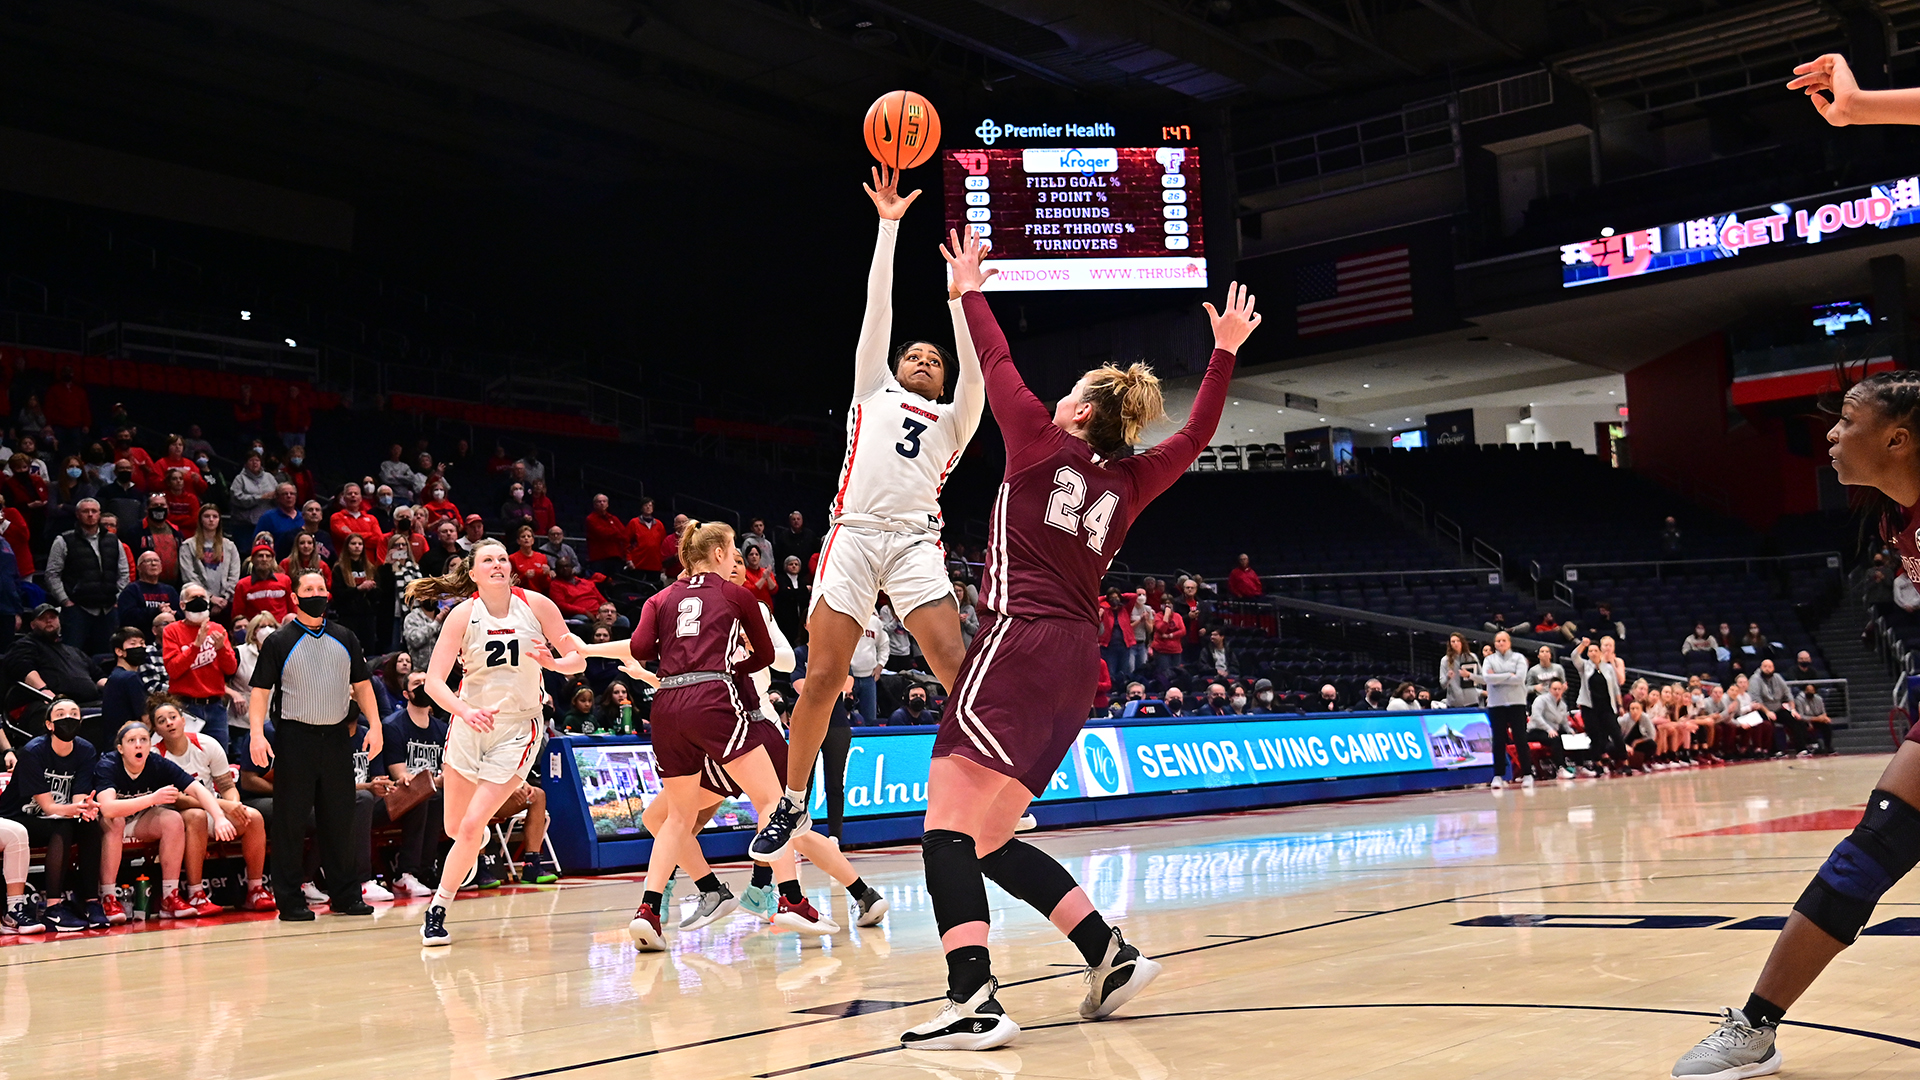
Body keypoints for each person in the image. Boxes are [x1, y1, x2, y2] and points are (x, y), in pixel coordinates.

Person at [898, 233, 1255, 1050]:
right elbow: (1196, 435)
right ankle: (1109, 954)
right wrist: (1223, 354)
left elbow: (995, 363)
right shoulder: (1131, 480)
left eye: (1065, 396)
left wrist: (965, 290)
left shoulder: (1038, 441)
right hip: (1075, 666)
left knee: (946, 827)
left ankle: (973, 996)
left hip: (1018, 641)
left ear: (1082, 412)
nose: (1049, 399)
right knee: (989, 838)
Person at [750, 166, 987, 868]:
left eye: (930, 359)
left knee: (956, 664)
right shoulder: (871, 389)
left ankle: (993, 780)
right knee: (821, 678)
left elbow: (975, 371)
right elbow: (875, 313)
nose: (918, 360)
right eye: (911, 355)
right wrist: (888, 228)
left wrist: (959, 301)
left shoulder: (954, 419)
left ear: (940, 380)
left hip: (915, 544)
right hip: (852, 535)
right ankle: (794, 803)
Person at [598, 522, 837, 949]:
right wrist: (729, 669)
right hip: (713, 699)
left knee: (676, 816)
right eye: (732, 551)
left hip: (665, 704)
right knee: (771, 802)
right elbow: (766, 656)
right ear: (722, 554)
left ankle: (648, 911)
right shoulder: (736, 594)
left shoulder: (659, 597)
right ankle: (791, 899)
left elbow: (638, 648)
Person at [409, 539, 583, 946]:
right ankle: (475, 842)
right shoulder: (462, 616)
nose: (498, 564)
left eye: (503, 558)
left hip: (519, 728)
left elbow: (579, 659)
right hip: (470, 723)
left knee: (470, 825)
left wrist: (555, 663)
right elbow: (434, 682)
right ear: (473, 573)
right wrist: (464, 711)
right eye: (488, 560)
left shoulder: (537, 605)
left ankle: (437, 911)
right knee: (457, 828)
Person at [246, 570, 386, 922]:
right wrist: (256, 734)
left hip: (338, 738)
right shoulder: (279, 641)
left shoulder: (346, 637)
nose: (316, 593)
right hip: (295, 739)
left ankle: (345, 895)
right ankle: (291, 900)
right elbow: (260, 691)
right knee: (290, 823)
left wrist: (377, 726)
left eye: (321, 588)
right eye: (308, 589)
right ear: (295, 597)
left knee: (340, 820)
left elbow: (363, 686)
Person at [94, 718, 233, 921]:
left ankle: (170, 896)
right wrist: (152, 798)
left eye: (143, 739)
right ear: (121, 748)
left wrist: (219, 817)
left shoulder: (157, 763)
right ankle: (107, 897)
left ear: (150, 746)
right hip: (108, 824)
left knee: (173, 819)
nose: (138, 744)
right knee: (116, 821)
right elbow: (107, 809)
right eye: (131, 740)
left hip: (139, 819)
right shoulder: (108, 764)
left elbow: (196, 789)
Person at [150, 696, 273, 913]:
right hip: (175, 815)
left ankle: (255, 890)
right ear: (156, 730)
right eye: (162, 721)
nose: (169, 722)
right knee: (196, 816)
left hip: (215, 808)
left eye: (172, 717)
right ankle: (196, 893)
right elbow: (179, 800)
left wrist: (233, 805)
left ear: (183, 720)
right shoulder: (155, 755)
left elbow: (227, 785)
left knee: (253, 816)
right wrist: (222, 807)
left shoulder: (207, 744)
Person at [0, 699, 108, 930]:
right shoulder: (33, 751)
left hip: (58, 816)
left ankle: (91, 902)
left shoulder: (86, 750)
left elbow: (79, 799)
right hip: (18, 817)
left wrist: (86, 807)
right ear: (49, 724)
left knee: (90, 824)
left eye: (73, 713)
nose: (67, 718)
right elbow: (48, 807)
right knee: (63, 826)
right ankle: (53, 907)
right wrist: (75, 810)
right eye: (60, 714)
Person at [380, 670, 452, 897]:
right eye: (417, 684)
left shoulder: (441, 729)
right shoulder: (393, 725)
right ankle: (407, 873)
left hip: (435, 790)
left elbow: (447, 767)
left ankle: (430, 868)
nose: (422, 687)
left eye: (426, 683)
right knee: (425, 795)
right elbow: (400, 773)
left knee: (442, 796)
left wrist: (442, 779)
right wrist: (432, 781)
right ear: (406, 693)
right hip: (401, 794)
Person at [45, 497, 127, 654]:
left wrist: (117, 598)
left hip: (108, 609)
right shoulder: (63, 540)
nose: (90, 514)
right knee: (71, 656)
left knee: (108, 657)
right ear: (77, 514)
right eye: (85, 511)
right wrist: (65, 600)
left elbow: (123, 572)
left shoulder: (113, 540)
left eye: (94, 511)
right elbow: (52, 574)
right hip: (77, 609)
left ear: (99, 514)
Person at [161, 583, 238, 748]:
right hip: (185, 706)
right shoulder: (172, 631)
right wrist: (196, 646)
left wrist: (221, 650)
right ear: (182, 605)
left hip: (215, 707)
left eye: (202, 597)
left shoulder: (218, 629)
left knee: (219, 758)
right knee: (187, 758)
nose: (199, 601)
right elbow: (173, 670)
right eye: (193, 598)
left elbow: (231, 669)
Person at [5, 603, 103, 707]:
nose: (48, 621)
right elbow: (22, 668)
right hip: (49, 705)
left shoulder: (73, 651)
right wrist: (45, 692)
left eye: (53, 617)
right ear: (32, 625)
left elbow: (98, 676)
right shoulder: (25, 645)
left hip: (88, 703)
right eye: (42, 618)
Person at [1480, 631, 1532, 789]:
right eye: (1497, 641)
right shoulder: (1489, 659)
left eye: (1503, 640)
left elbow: (1520, 679)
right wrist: (1508, 675)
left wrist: (1497, 676)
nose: (1500, 643)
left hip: (1517, 703)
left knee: (1520, 739)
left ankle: (1528, 774)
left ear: (1509, 642)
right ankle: (1498, 775)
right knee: (1498, 740)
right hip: (1496, 704)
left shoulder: (1518, 658)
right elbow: (1486, 678)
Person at [1572, 636, 1628, 775]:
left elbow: (1615, 688)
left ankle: (1624, 761)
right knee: (1595, 736)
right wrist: (1583, 645)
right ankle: (1597, 763)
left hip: (1607, 706)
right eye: (1590, 651)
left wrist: (1620, 705)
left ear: (1600, 652)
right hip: (1590, 707)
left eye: (1595, 650)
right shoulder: (1584, 666)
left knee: (1616, 734)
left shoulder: (1608, 668)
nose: (1592, 653)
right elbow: (1574, 656)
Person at [180, 504, 241, 622]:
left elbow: (234, 574)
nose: (211, 520)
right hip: (198, 601)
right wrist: (210, 597)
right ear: (200, 520)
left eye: (215, 516)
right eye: (207, 516)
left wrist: (223, 598)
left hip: (225, 603)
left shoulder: (229, 546)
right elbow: (189, 575)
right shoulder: (188, 546)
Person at [116, 550, 178, 637]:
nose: (153, 564)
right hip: (140, 637)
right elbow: (128, 617)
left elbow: (181, 614)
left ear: (161, 566)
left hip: (169, 636)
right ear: (139, 568)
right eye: (148, 561)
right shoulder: (131, 590)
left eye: (156, 561)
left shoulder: (170, 590)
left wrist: (171, 612)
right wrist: (157, 611)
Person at [1527, 679, 1580, 780]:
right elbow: (1536, 717)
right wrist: (1548, 729)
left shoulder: (1563, 705)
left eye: (1559, 689)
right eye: (1554, 689)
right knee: (1555, 738)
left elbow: (1564, 721)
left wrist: (1570, 730)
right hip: (1536, 730)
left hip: (1553, 730)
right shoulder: (1540, 700)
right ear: (1549, 690)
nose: (1557, 691)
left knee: (1575, 738)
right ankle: (1560, 768)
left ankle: (1580, 766)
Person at [232, 544, 294, 622]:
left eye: (268, 556)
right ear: (253, 560)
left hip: (282, 629)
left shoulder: (285, 580)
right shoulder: (242, 585)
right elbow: (238, 616)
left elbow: (293, 609)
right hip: (255, 629)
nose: (264, 559)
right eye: (260, 556)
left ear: (272, 560)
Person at [1439, 633, 1477, 708]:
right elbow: (1443, 684)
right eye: (1453, 641)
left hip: (1471, 700)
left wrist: (1470, 675)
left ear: (1462, 642)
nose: (1456, 643)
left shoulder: (1472, 657)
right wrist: (1448, 677)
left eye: (1458, 641)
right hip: (1454, 702)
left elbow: (1481, 677)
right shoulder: (1445, 660)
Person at [1795, 683, 1834, 755]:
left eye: (1812, 690)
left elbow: (1823, 712)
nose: (1810, 692)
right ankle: (1804, 748)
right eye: (1808, 690)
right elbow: (1800, 716)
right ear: (1804, 691)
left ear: (1815, 691)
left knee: (1827, 724)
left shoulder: (1819, 699)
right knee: (1801, 725)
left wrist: (1825, 718)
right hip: (1805, 721)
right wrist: (1813, 720)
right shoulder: (1799, 700)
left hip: (1817, 719)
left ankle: (1828, 747)